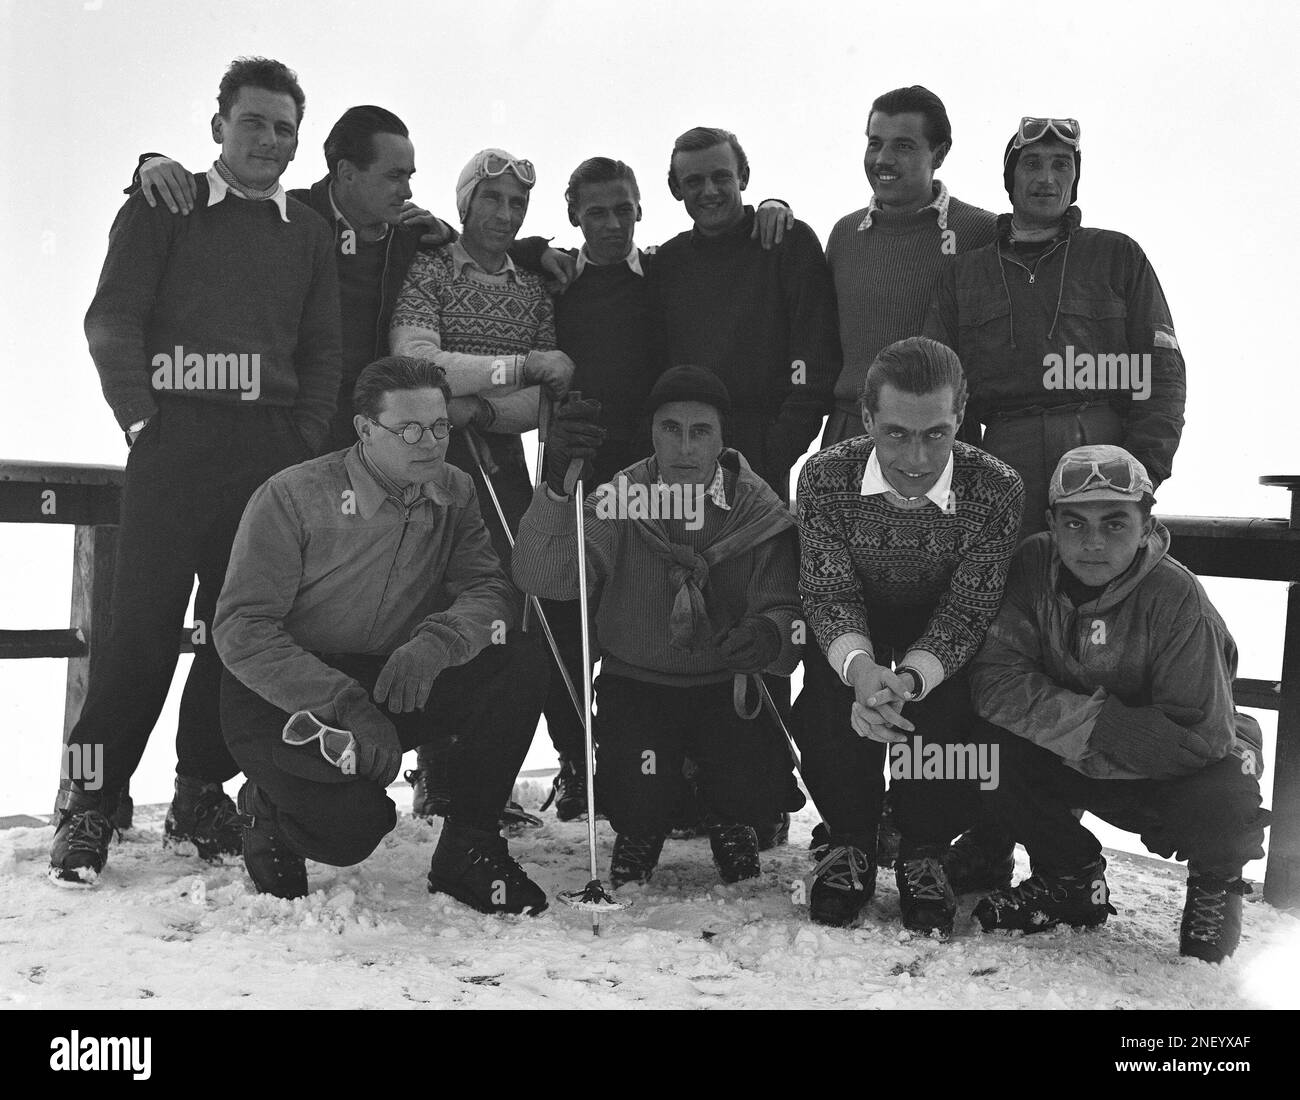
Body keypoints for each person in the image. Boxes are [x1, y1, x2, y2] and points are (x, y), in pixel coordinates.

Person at [50, 57, 342, 886]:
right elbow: (112, 319)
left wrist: (302, 440)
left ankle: (200, 792)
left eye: (285, 127)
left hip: (269, 457)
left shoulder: (309, 232)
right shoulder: (164, 204)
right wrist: (144, 421)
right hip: (174, 446)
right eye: (253, 121)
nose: (270, 140)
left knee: (236, 631)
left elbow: (323, 350)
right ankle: (90, 805)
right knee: (138, 634)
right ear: (218, 126)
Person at [213, 356, 549, 913]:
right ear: (365, 430)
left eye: (440, 427)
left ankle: (470, 847)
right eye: (409, 429)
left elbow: (489, 589)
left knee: (518, 660)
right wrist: (343, 702)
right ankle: (266, 805)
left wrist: (439, 642)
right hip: (283, 689)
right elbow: (243, 629)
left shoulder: (455, 490)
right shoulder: (293, 496)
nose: (431, 443)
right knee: (351, 828)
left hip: (391, 673)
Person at [968, 446, 1269, 963]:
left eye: (1114, 524)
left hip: (1175, 764)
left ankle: (1216, 883)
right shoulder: (1033, 563)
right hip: (1094, 742)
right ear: (1051, 523)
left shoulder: (1178, 598)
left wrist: (1091, 738)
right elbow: (995, 681)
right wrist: (1099, 727)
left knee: (1226, 788)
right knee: (984, 752)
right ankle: (1071, 878)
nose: (1092, 544)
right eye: (1075, 524)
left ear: (1147, 523)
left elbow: (1200, 735)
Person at [512, 367, 804, 886]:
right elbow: (546, 577)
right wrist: (556, 488)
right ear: (651, 432)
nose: (685, 447)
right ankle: (641, 825)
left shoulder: (758, 511)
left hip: (726, 685)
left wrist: (768, 636)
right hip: (639, 683)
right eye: (671, 429)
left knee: (747, 785)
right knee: (636, 792)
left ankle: (731, 818)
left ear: (723, 437)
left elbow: (784, 611)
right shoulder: (620, 499)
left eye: (701, 432)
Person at [127, 109, 565, 452]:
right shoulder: (289, 218)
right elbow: (218, 210)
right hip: (284, 423)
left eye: (409, 176)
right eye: (395, 176)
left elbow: (480, 240)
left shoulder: (411, 234)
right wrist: (152, 164)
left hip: (378, 432)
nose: (408, 190)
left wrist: (535, 252)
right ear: (347, 173)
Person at [794, 337, 1024, 934]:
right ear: (866, 419)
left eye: (936, 434)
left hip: (941, 622)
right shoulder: (824, 476)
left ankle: (924, 848)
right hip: (858, 614)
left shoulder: (996, 489)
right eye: (895, 433)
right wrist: (861, 669)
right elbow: (827, 590)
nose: (917, 457)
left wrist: (914, 676)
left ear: (960, 421)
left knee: (952, 707)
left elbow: (968, 610)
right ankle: (850, 843)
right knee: (826, 693)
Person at [388, 148, 576, 818]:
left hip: (500, 465)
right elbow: (416, 360)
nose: (503, 214)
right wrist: (508, 372)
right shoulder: (432, 266)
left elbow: (549, 390)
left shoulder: (529, 287)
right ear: (466, 201)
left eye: (517, 204)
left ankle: (482, 776)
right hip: (431, 461)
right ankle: (435, 772)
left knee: (508, 607)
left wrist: (480, 406)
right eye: (491, 199)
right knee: (437, 600)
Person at [925, 116, 1186, 537]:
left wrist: (1142, 471)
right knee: (1008, 589)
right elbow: (940, 388)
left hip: (1103, 451)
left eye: (1062, 165)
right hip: (1003, 457)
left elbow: (1160, 373)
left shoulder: (1116, 255)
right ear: (1010, 179)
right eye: (1032, 164)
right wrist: (964, 480)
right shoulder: (964, 274)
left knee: (1099, 588)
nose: (1047, 178)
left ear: (1075, 178)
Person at [655, 126, 839, 502]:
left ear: (744, 176)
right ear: (676, 189)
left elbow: (812, 360)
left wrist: (777, 448)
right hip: (682, 460)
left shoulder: (788, 243)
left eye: (721, 176)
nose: (709, 191)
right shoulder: (667, 263)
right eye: (694, 181)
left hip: (763, 463)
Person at [822, 85, 997, 449]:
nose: (883, 159)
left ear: (940, 153)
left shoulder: (980, 232)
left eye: (903, 146)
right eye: (874, 143)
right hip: (850, 431)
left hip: (938, 436)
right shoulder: (843, 234)